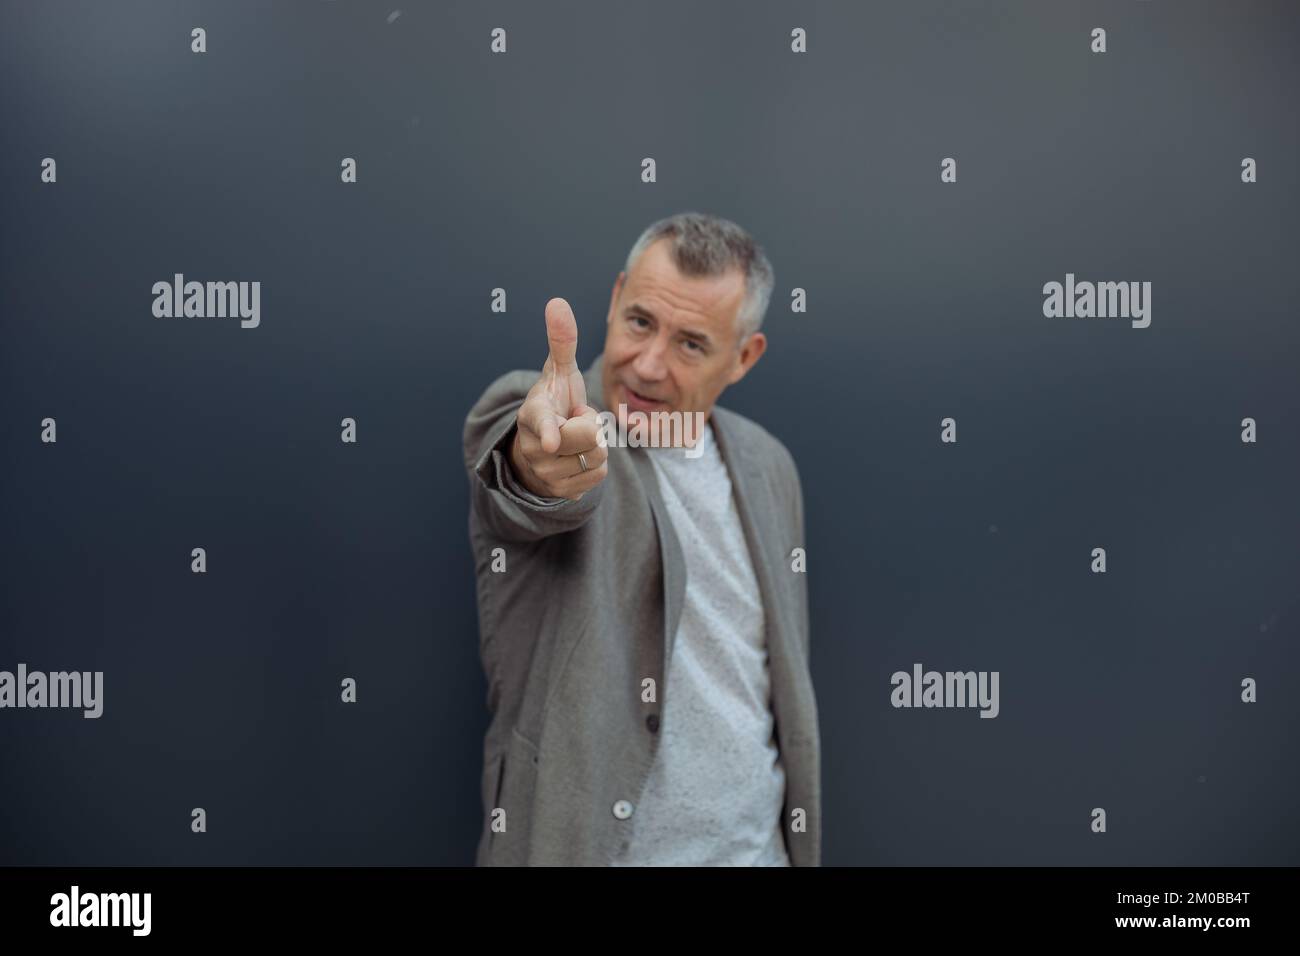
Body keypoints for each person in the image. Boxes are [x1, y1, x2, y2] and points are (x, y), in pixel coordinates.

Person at [463, 211, 820, 866]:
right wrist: (545, 463)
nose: (649, 364)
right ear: (615, 297)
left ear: (743, 357)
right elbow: (528, 484)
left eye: (690, 344)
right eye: (639, 321)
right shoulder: (556, 423)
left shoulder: (769, 466)